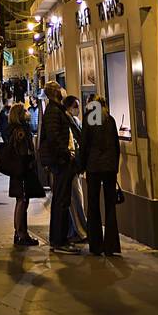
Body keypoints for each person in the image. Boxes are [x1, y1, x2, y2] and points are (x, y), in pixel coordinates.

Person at [38, 82, 79, 253]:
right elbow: (55, 137)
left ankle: (60, 239)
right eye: (60, 88)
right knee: (60, 201)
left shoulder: (55, 109)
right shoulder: (54, 111)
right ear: (55, 92)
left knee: (61, 200)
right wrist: (66, 154)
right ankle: (59, 241)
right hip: (60, 162)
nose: (63, 90)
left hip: (60, 161)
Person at [78, 95, 121, 256]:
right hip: (109, 168)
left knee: (93, 205)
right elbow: (116, 146)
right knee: (110, 206)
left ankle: (96, 245)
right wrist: (115, 167)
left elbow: (84, 145)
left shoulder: (89, 120)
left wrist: (81, 166)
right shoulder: (110, 120)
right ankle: (111, 245)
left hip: (94, 167)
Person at [0, 102, 43, 245]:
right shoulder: (20, 131)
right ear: (20, 115)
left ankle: (19, 233)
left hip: (17, 171)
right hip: (22, 171)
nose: (27, 112)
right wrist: (30, 162)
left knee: (21, 201)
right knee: (22, 201)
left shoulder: (14, 129)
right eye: (24, 110)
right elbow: (23, 152)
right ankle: (21, 234)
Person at [62, 95, 88, 245]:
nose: (78, 109)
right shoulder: (67, 122)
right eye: (76, 106)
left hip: (76, 167)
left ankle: (78, 230)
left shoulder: (74, 121)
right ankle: (80, 231)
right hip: (72, 167)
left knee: (78, 199)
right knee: (75, 199)